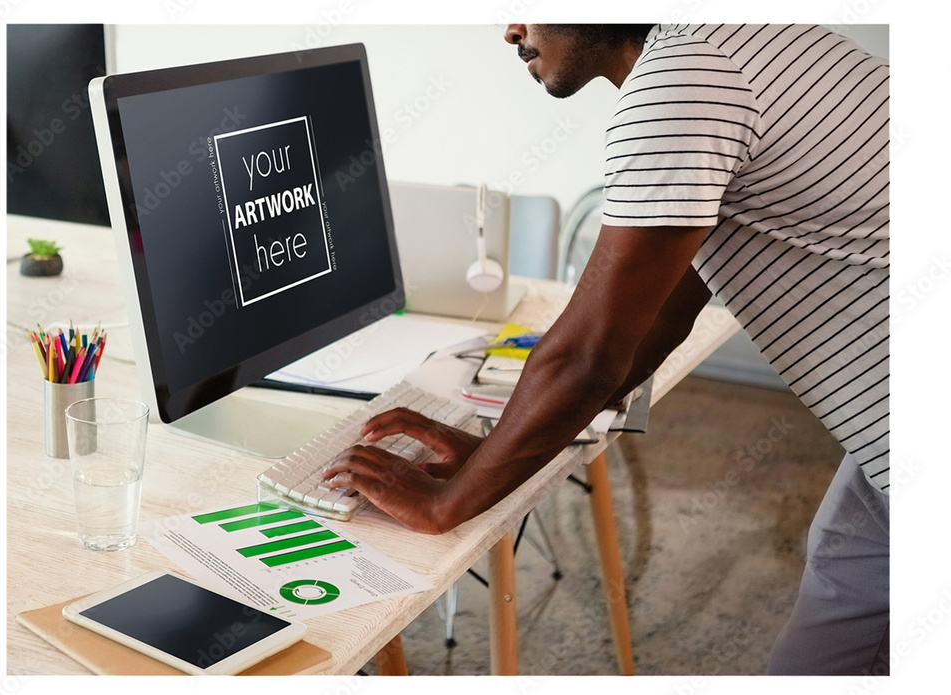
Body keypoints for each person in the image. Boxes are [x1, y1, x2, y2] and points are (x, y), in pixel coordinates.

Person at [324, 24, 889, 675]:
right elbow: (658, 317)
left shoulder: (683, 82)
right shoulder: (731, 39)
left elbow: (588, 356)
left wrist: (443, 504)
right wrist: (494, 450)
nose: (511, 28)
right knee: (848, 578)